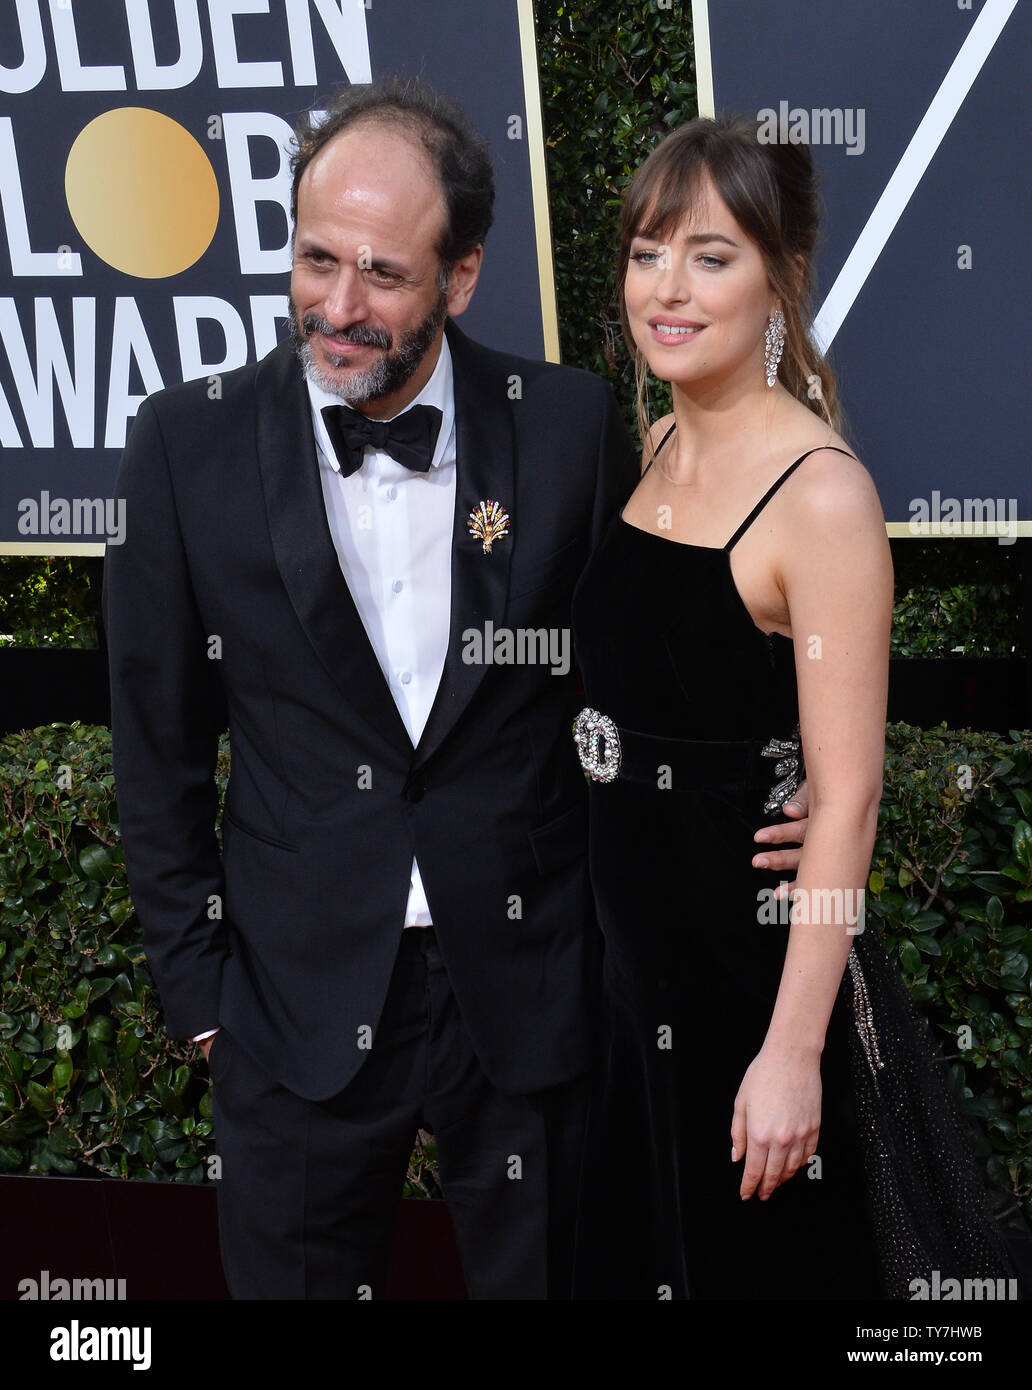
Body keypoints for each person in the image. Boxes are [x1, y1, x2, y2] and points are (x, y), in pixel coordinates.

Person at [102, 79, 812, 1300]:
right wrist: (203, 998)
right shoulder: (185, 445)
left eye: (381, 272)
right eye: (315, 259)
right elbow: (155, 744)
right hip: (287, 1004)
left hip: (532, 997)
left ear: (464, 275)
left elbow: (655, 660)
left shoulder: (572, 426)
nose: (336, 304)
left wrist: (787, 776)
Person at [569, 115, 1028, 1299]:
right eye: (647, 250)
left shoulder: (820, 496)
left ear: (782, 279)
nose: (666, 287)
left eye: (710, 255)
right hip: (633, 987)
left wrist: (790, 1052)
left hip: (750, 983)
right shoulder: (660, 441)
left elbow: (852, 795)